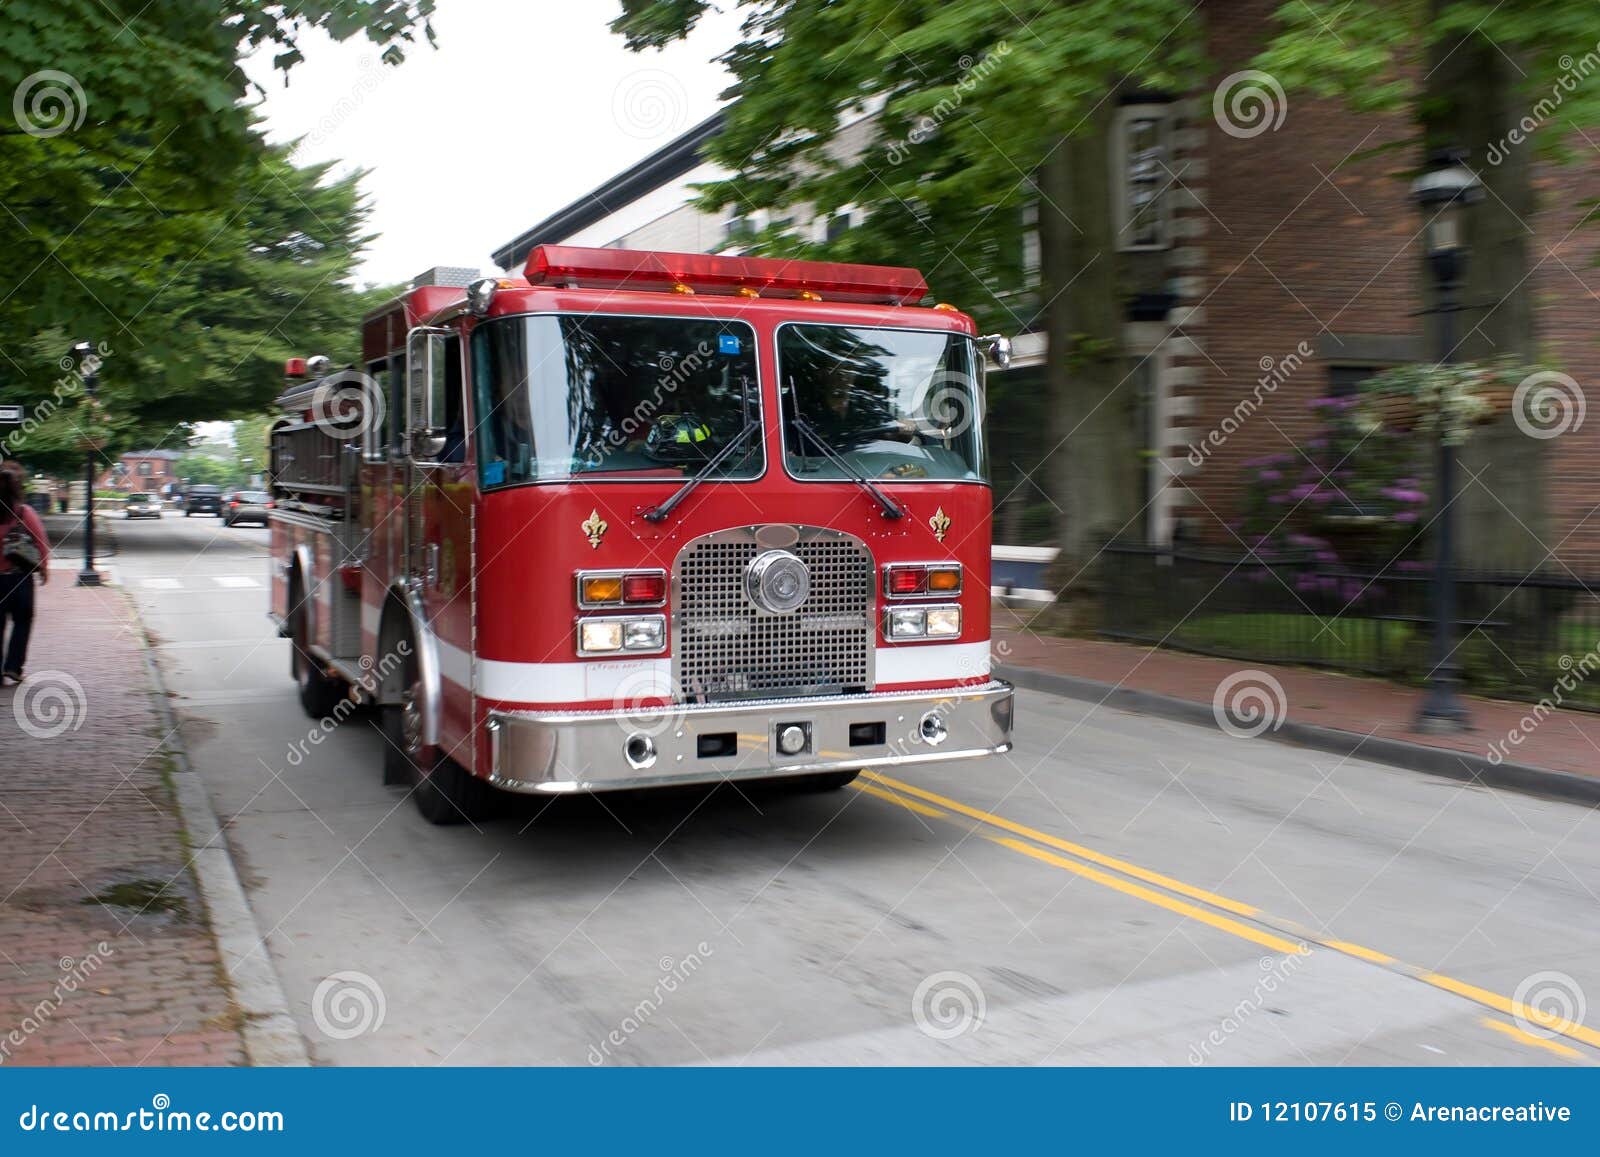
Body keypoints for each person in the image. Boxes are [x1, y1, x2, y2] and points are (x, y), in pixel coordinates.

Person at [0, 461, 49, 685]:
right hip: (20, 578)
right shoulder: (23, 512)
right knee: (22, 622)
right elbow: (40, 541)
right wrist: (44, 568)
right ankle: (13, 667)